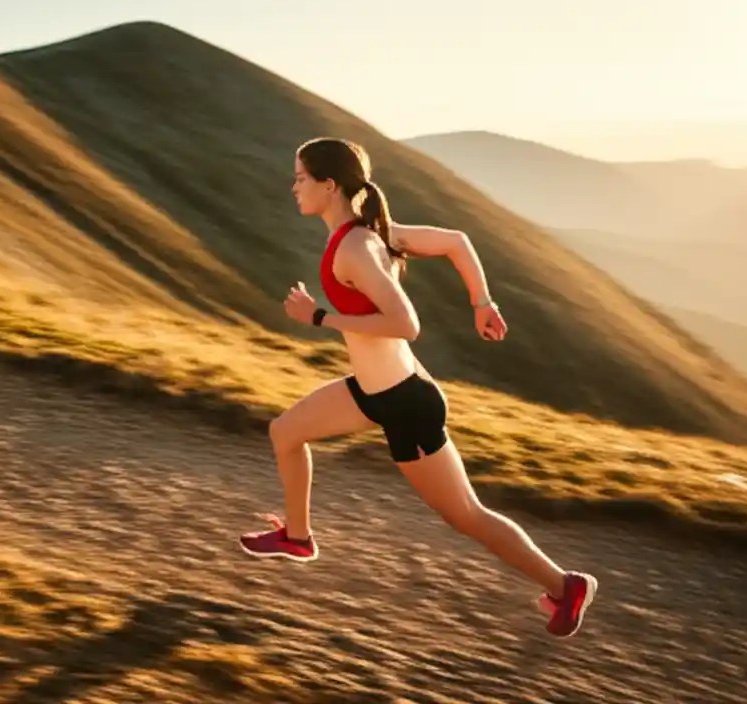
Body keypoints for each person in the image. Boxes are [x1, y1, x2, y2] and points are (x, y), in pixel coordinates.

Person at [238, 136, 598, 638]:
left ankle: (565, 585)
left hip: (406, 404)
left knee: (466, 515)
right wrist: (482, 303)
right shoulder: (373, 232)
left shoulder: (358, 247)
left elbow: (406, 324)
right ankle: (298, 537)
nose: (293, 186)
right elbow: (456, 241)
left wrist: (319, 316)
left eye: (300, 177)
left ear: (328, 184)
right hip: (373, 390)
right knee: (285, 432)